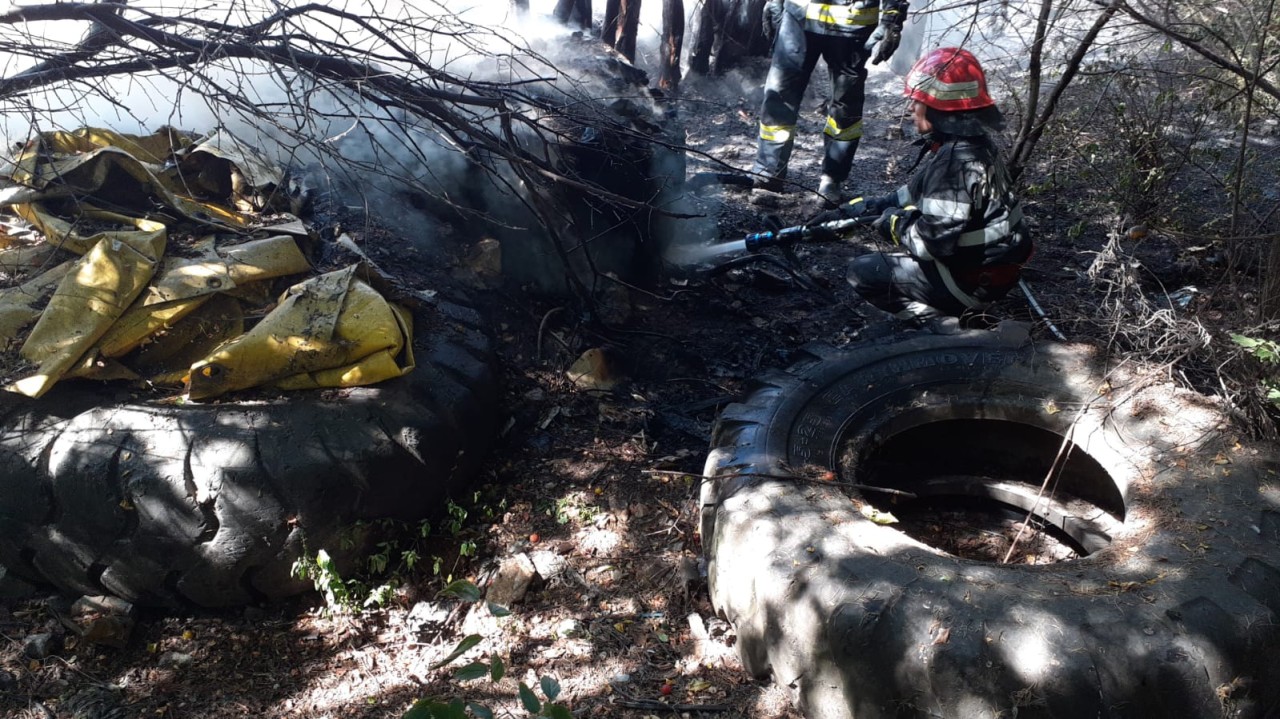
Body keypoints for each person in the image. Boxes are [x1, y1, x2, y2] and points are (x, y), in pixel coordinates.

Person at [809, 47, 1032, 333]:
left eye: (917, 102)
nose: (912, 110)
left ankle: (948, 329)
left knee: (862, 273)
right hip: (993, 272)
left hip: (973, 282)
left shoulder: (953, 164)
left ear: (939, 110)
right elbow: (903, 198)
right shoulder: (971, 146)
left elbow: (929, 246)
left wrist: (891, 222)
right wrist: (850, 212)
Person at [752, 0, 909, 204]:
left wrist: (892, 20)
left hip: (852, 24)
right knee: (778, 97)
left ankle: (832, 180)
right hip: (798, 17)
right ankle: (768, 175)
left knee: (845, 108)